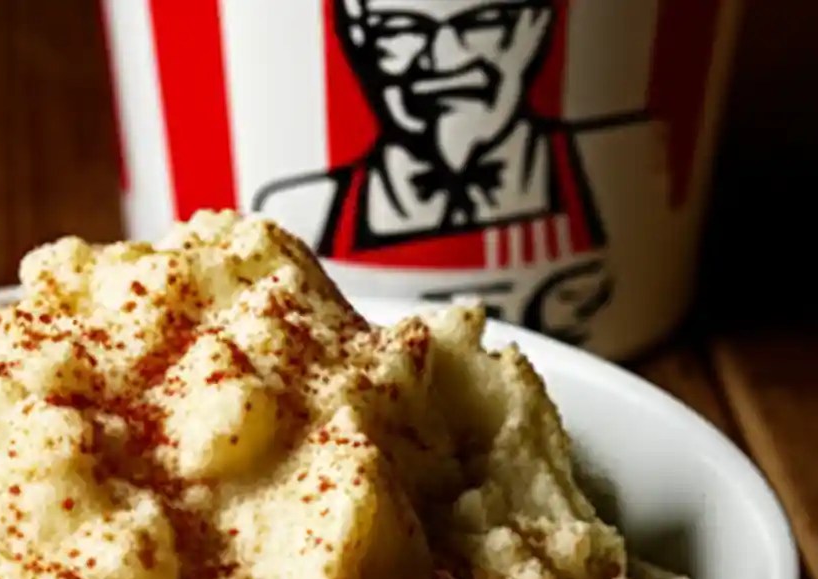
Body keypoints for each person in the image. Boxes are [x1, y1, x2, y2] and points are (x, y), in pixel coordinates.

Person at [254, 0, 612, 344]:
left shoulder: (631, 174)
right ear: (361, 42)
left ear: (533, 27)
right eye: (400, 29)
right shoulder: (297, 210)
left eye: (482, 22)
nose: (445, 59)